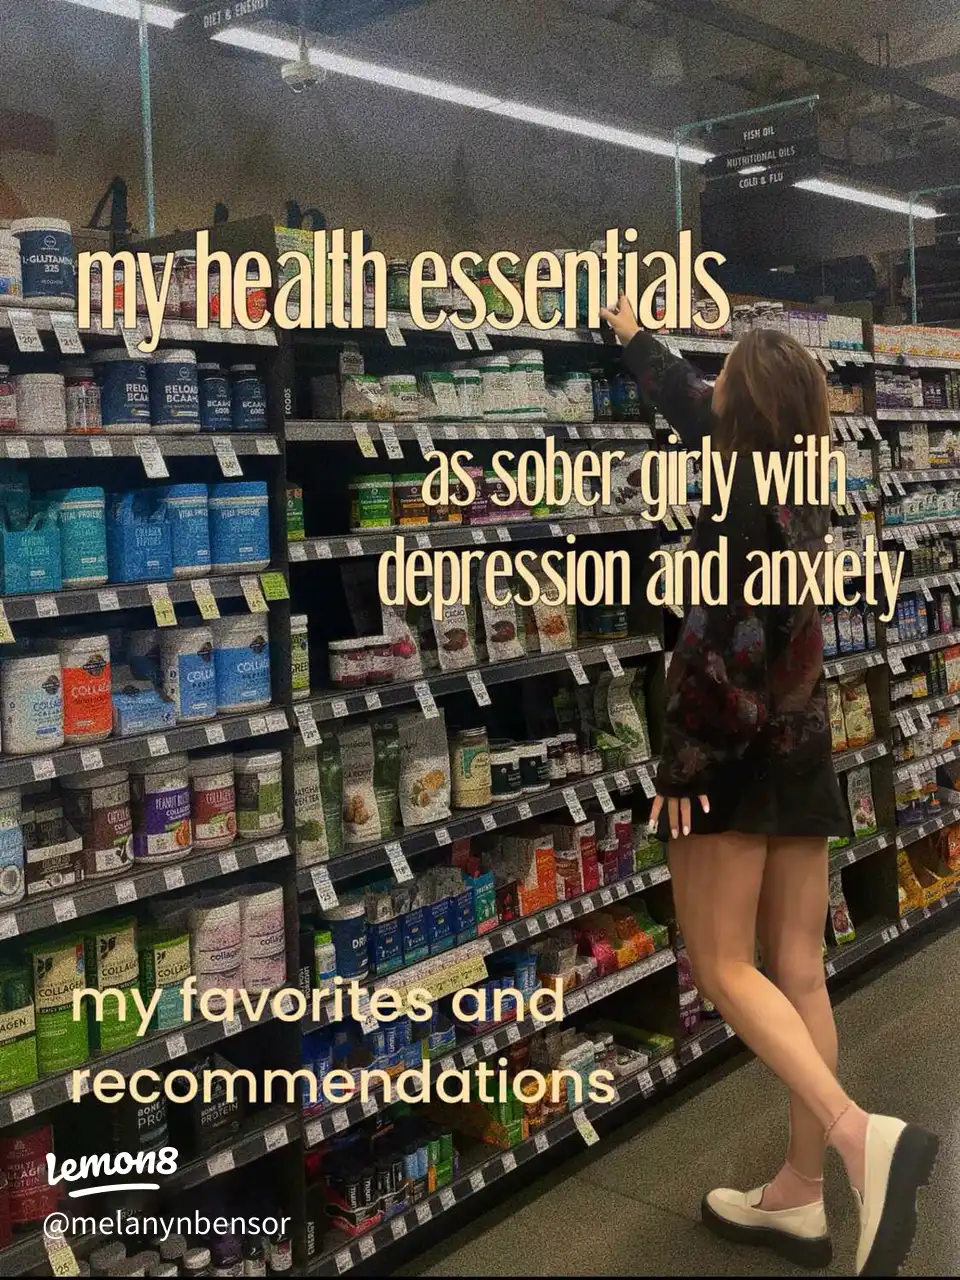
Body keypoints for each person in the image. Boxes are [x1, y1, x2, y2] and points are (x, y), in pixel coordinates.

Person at [598, 294, 938, 1277]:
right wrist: (632, 339)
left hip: (735, 755)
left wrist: (680, 764)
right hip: (803, 742)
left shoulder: (743, 497)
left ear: (744, 410)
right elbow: (694, 403)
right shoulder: (799, 474)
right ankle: (798, 1192)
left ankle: (852, 1130)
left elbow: (718, 654)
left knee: (719, 961)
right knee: (797, 966)